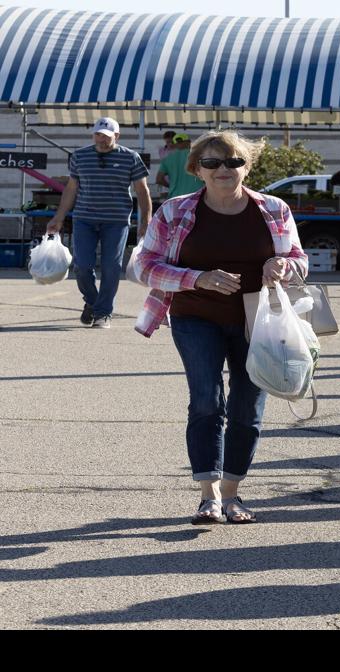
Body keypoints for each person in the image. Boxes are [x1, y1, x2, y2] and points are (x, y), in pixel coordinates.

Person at [132, 130, 308, 525]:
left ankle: (232, 495)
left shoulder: (274, 209)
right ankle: (207, 496)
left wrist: (282, 266)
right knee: (207, 400)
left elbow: (299, 258)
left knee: (248, 406)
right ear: (197, 170)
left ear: (247, 166)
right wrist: (197, 278)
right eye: (212, 163)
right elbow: (143, 265)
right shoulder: (176, 211)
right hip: (196, 316)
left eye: (233, 161)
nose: (223, 170)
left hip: (258, 320)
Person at [46, 118, 152, 329]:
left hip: (116, 221)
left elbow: (142, 191)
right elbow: (71, 188)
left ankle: (103, 313)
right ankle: (93, 303)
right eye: (98, 134)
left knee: (111, 267)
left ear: (117, 136)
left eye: (106, 135)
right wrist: (58, 217)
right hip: (84, 219)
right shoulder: (79, 156)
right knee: (82, 266)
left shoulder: (130, 158)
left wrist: (146, 221)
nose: (101, 139)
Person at [156, 133, 200, 199]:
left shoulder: (167, 159)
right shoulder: (199, 156)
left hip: (175, 197)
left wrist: (171, 186)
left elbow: (159, 179)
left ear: (175, 144)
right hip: (197, 195)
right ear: (189, 142)